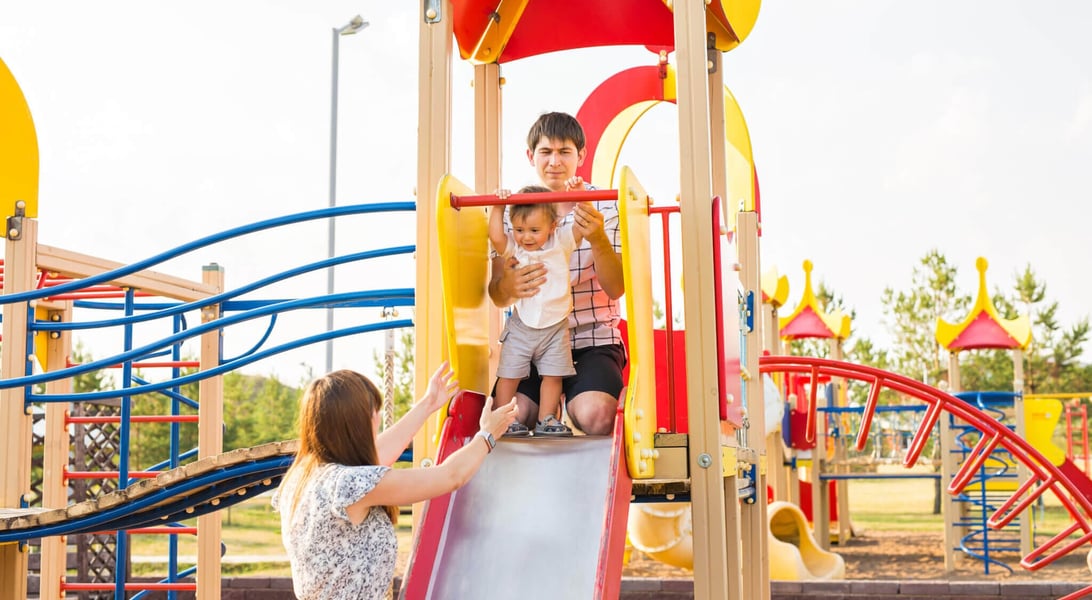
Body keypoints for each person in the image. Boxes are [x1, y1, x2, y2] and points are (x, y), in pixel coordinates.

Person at [272, 362, 517, 600]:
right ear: (356, 425)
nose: (377, 420)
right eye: (373, 413)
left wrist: (428, 403)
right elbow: (450, 476)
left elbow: (376, 455)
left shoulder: (304, 476)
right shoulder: (348, 484)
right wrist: (487, 435)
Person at [489, 111, 626, 437]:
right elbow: (497, 293)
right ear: (530, 156)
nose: (554, 161)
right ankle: (546, 410)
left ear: (581, 155)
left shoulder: (602, 206)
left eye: (564, 152)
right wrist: (508, 283)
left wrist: (597, 238)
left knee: (596, 415)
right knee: (512, 415)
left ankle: (567, 405)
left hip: (591, 338)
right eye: (545, 152)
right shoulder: (515, 210)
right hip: (533, 336)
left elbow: (616, 287)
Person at [490, 184, 584, 437]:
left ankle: (547, 419)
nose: (526, 237)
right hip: (522, 326)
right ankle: (501, 418)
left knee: (553, 376)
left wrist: (580, 194)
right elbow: (497, 237)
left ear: (552, 227)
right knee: (509, 375)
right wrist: (498, 208)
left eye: (534, 230)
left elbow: (579, 227)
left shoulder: (561, 243)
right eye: (519, 230)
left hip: (556, 327)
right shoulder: (515, 249)